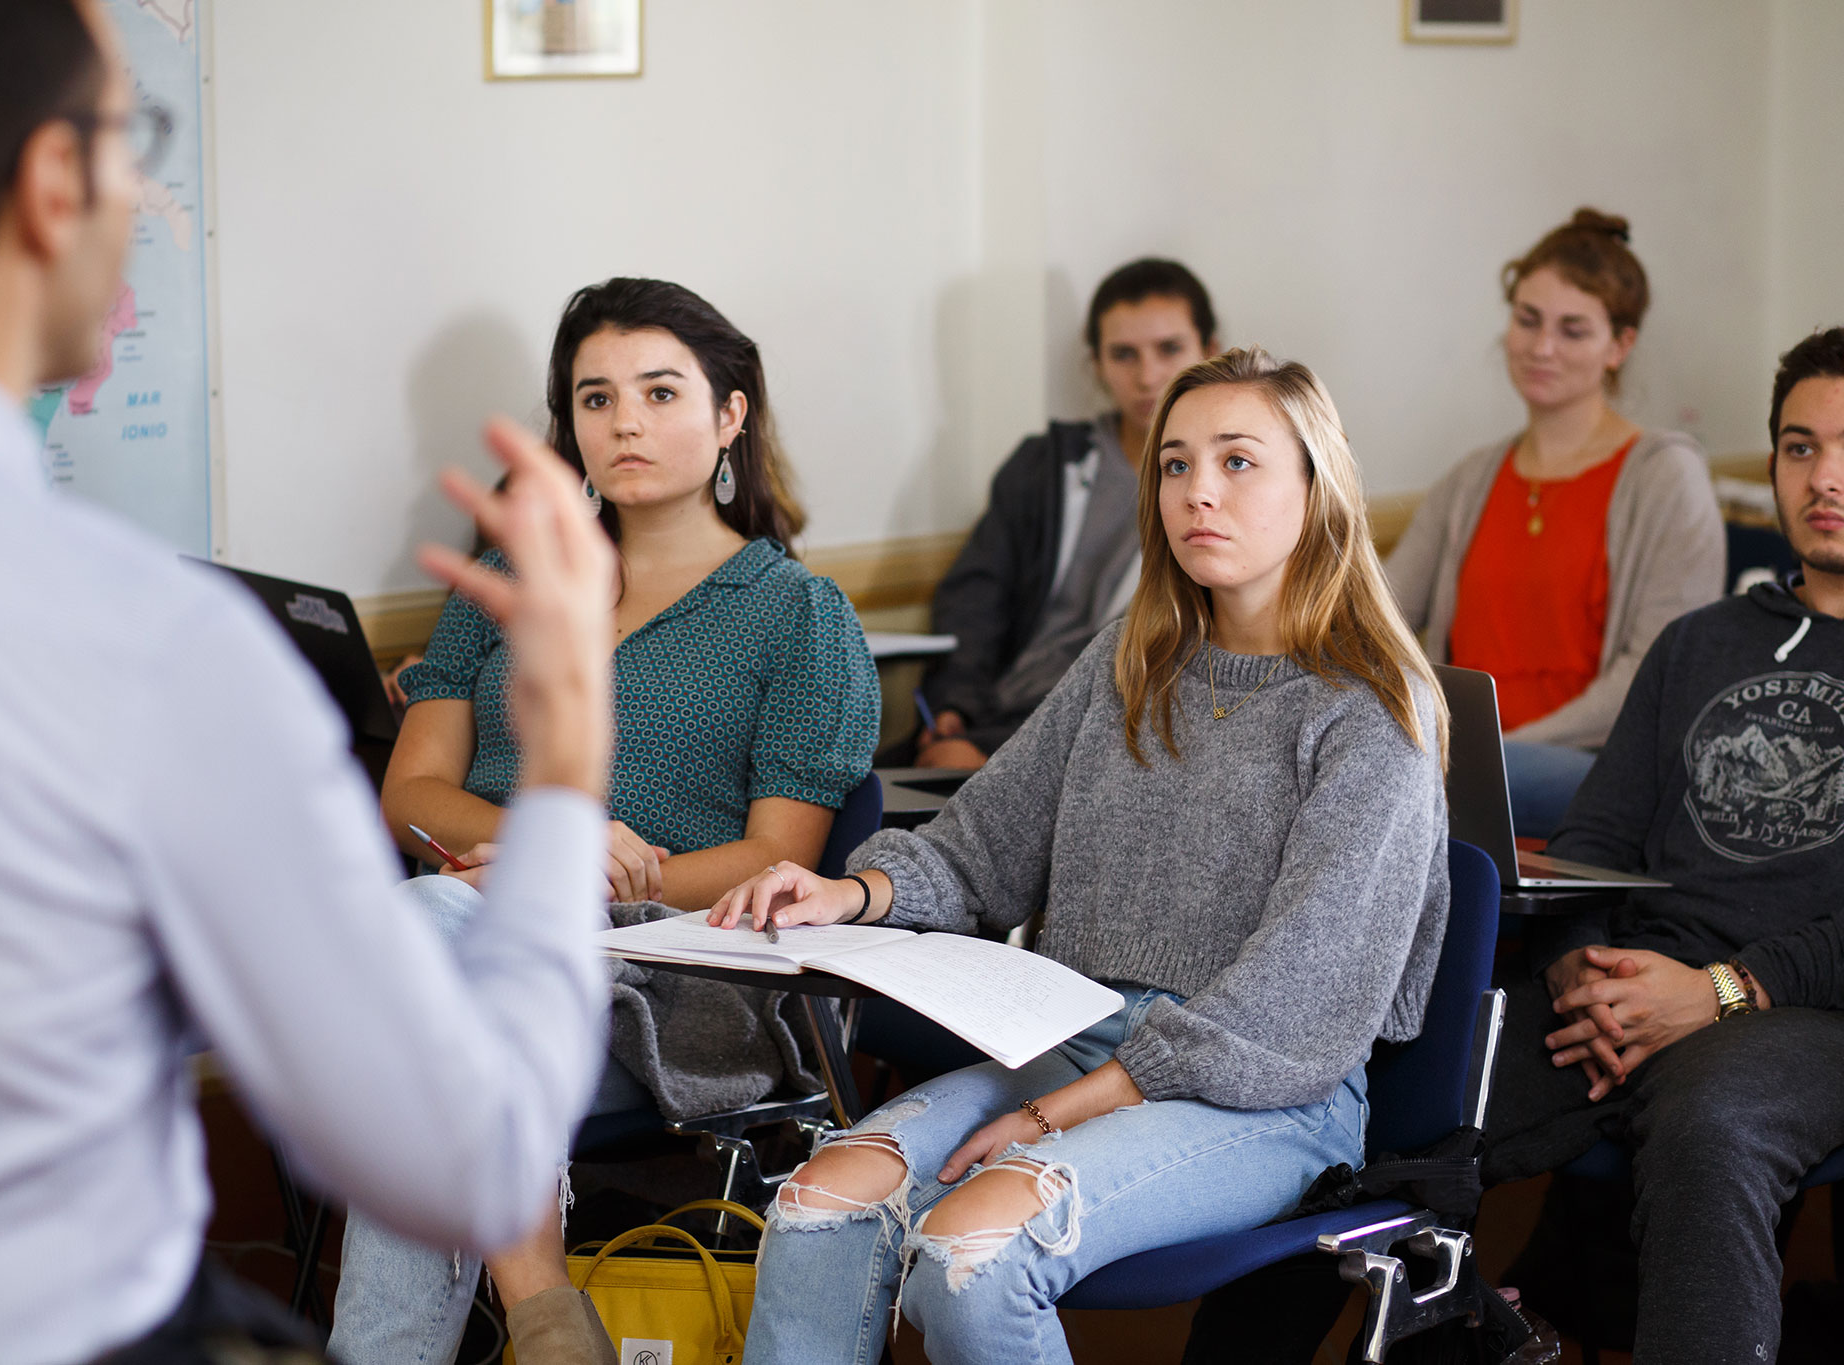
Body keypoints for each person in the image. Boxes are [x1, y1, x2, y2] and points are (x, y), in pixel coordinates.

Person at [0, 3, 617, 1362]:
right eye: (137, 142)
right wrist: (567, 767)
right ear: (54, 183)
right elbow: (472, 1161)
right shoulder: (142, 639)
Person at [708, 346, 1452, 1365]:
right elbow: (981, 849)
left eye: (1237, 462)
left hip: (1266, 1091)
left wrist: (1057, 1114)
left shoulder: (1371, 705)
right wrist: (849, 891)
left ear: (1317, 487)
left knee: (972, 1254)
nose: (1198, 492)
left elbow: (1298, 1001)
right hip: (1072, 1040)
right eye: (1175, 465)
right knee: (817, 1202)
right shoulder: (1129, 657)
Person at [330, 278, 881, 1365]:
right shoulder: (504, 576)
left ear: (729, 418)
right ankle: (538, 1304)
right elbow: (411, 795)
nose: (623, 421)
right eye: (594, 398)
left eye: (659, 392)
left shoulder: (794, 616)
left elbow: (777, 862)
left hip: (665, 977)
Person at [1470, 326, 1844, 1364]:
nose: (1824, 478)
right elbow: (1592, 839)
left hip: (1805, 1007)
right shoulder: (1699, 641)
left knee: (1711, 1127)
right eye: (1799, 446)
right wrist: (1575, 971)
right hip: (1629, 978)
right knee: (1407, 1084)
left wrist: (1719, 991)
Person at [1386, 209, 1724, 837]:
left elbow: (1653, 677)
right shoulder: (1471, 478)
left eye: (1573, 330)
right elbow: (1375, 615)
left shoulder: (1665, 476)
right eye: (1528, 320)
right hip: (1456, 765)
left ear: (1619, 346)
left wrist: (1493, 753)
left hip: (1584, 775)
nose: (1542, 348)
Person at [914, 257, 1219, 770]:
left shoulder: (1223, 492)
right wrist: (952, 703)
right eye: (1123, 354)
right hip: (995, 715)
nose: (1148, 376)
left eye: (1169, 349)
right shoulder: (1044, 467)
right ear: (1095, 365)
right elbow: (974, 594)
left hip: (1112, 735)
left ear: (1211, 353)